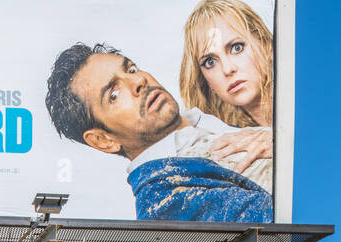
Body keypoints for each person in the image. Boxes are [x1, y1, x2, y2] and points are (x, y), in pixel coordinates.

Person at [45, 43, 271, 222]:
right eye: (113, 94)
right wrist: (289, 145)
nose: (138, 81)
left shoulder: (223, 120)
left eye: (131, 69)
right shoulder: (166, 203)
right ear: (104, 140)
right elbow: (288, 224)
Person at [180, 0, 275, 178]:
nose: (227, 69)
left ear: (267, 45)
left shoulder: (315, 96)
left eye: (236, 48)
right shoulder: (231, 147)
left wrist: (284, 141)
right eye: (210, 62)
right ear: (207, 82)